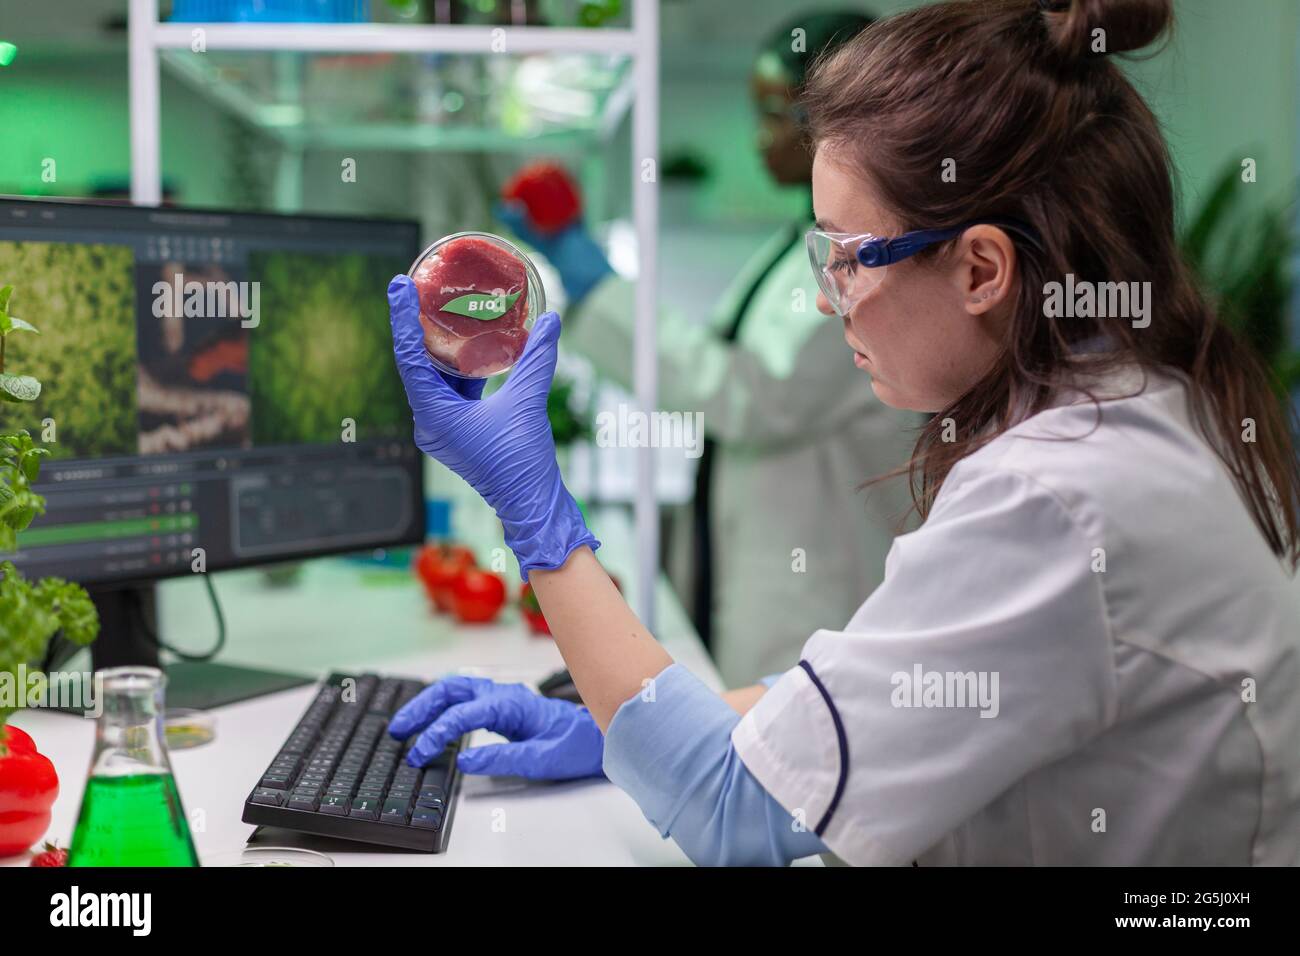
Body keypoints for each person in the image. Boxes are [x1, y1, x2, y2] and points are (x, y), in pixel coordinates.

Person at [386, 0, 1300, 866]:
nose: (825, 298)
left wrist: (532, 508)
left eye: (847, 257)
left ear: (982, 266)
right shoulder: (1146, 403)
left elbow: (728, 810)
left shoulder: (1054, 497)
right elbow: (908, 695)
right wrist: (618, 728)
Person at [498, 10, 919, 688]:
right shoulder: (796, 246)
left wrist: (599, 285)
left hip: (819, 595)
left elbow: (753, 397)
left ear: (841, 118)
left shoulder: (873, 263)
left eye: (775, 114)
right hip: (769, 574)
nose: (760, 139)